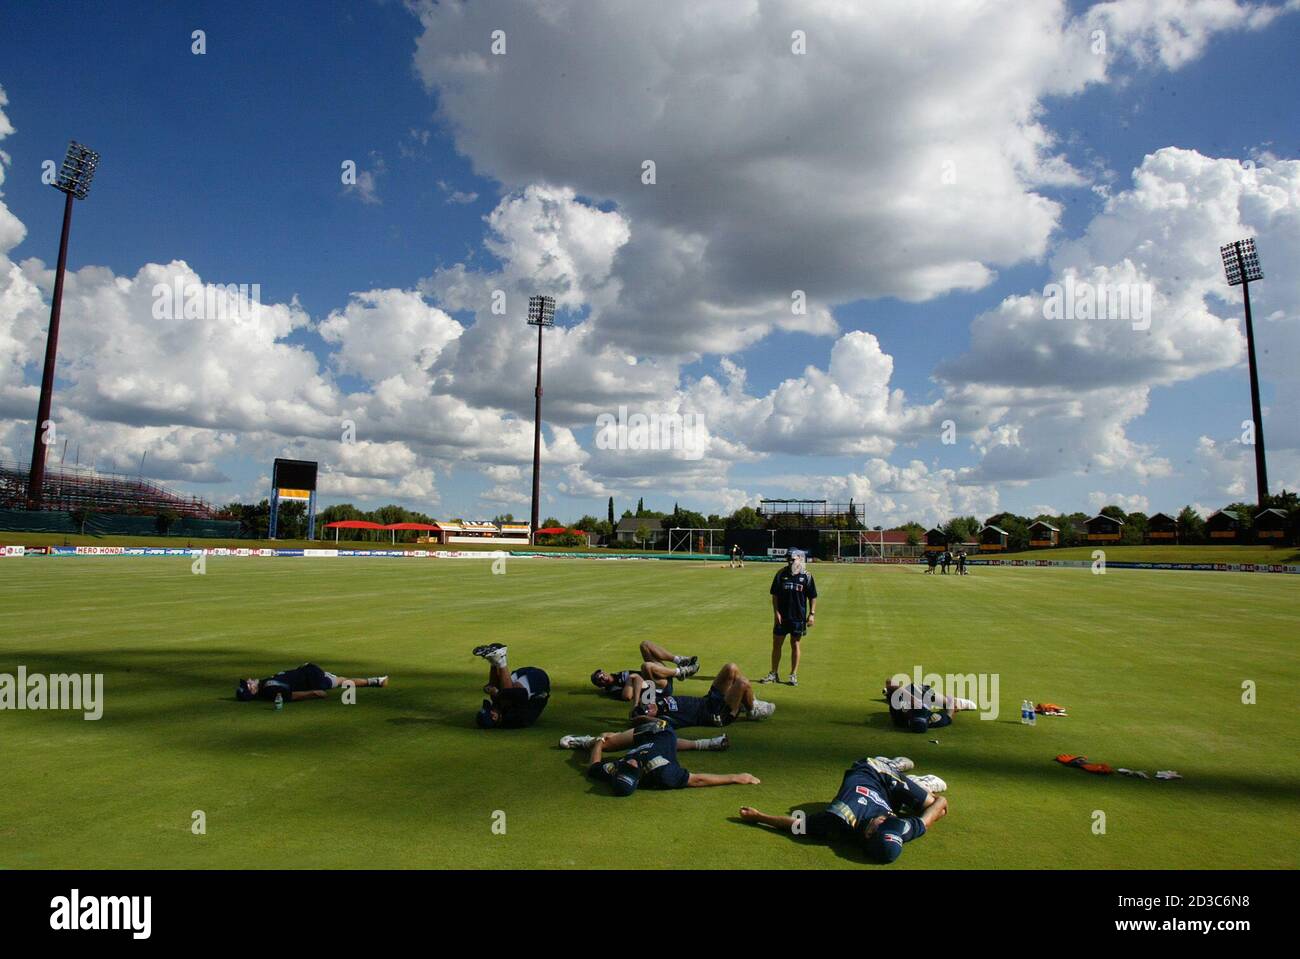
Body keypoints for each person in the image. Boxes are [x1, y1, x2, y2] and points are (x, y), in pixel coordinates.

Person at [738, 756, 948, 863]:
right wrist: (932, 803)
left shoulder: (839, 819)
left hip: (869, 775)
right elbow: (941, 805)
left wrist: (759, 817)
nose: (888, 820)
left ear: (868, 834)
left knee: (918, 801)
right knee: (929, 802)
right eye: (889, 823)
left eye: (885, 824)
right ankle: (905, 777)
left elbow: (797, 824)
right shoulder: (898, 830)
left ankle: (904, 776)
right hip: (877, 774)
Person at [579, 720, 760, 796]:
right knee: (661, 732)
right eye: (632, 768)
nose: (631, 762)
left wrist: (599, 743)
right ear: (639, 776)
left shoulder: (612, 770)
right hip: (661, 730)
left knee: (608, 738)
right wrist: (736, 777)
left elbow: (593, 766)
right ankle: (705, 743)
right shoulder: (663, 774)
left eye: (626, 765)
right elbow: (697, 779)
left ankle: (585, 740)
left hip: (646, 733)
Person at [633, 662, 774, 727]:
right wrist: (640, 718)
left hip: (708, 700)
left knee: (731, 668)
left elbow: (645, 670)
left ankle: (746, 701)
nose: (650, 708)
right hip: (716, 715)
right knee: (743, 683)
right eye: (648, 712)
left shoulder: (652, 700)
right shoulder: (666, 720)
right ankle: (752, 710)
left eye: (646, 706)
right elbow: (645, 723)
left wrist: (636, 704)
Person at [761, 548, 817, 686]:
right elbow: (775, 595)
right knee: (777, 644)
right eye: (788, 559)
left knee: (795, 644)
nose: (790, 561)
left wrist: (812, 614)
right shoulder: (781, 574)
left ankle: (793, 675)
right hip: (782, 617)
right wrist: (776, 612)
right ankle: (773, 673)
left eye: (792, 559)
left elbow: (813, 596)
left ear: (800, 559)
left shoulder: (807, 576)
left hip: (798, 617)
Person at [590, 642, 700, 703]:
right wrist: (630, 680)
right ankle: (680, 672)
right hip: (657, 689)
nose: (603, 677)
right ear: (601, 685)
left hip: (658, 676)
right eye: (600, 679)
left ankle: (680, 661)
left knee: (645, 645)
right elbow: (627, 696)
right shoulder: (612, 689)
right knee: (646, 666)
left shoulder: (616, 675)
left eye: (602, 674)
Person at [472, 643, 550, 729]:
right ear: (494, 717)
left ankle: (493, 660)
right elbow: (521, 693)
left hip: (524, 675)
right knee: (506, 698)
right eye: (491, 710)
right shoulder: (514, 718)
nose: (492, 707)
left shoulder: (499, 712)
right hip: (538, 683)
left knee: (496, 696)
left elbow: (497, 690)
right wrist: (497, 692)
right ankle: (501, 659)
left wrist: (488, 688)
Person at [236, 663, 387, 703]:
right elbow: (290, 696)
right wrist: (314, 693)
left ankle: (375, 681)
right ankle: (376, 681)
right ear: (253, 691)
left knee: (340, 680)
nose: (249, 680)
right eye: (248, 684)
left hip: (309, 673)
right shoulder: (270, 689)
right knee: (341, 680)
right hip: (313, 680)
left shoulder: (264, 684)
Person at [884, 678, 978, 733]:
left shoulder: (899, 717)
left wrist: (908, 695)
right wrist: (952, 704)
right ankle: (958, 702)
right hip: (918, 693)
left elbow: (890, 682)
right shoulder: (932, 719)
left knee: (909, 690)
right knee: (925, 692)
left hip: (907, 695)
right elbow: (949, 717)